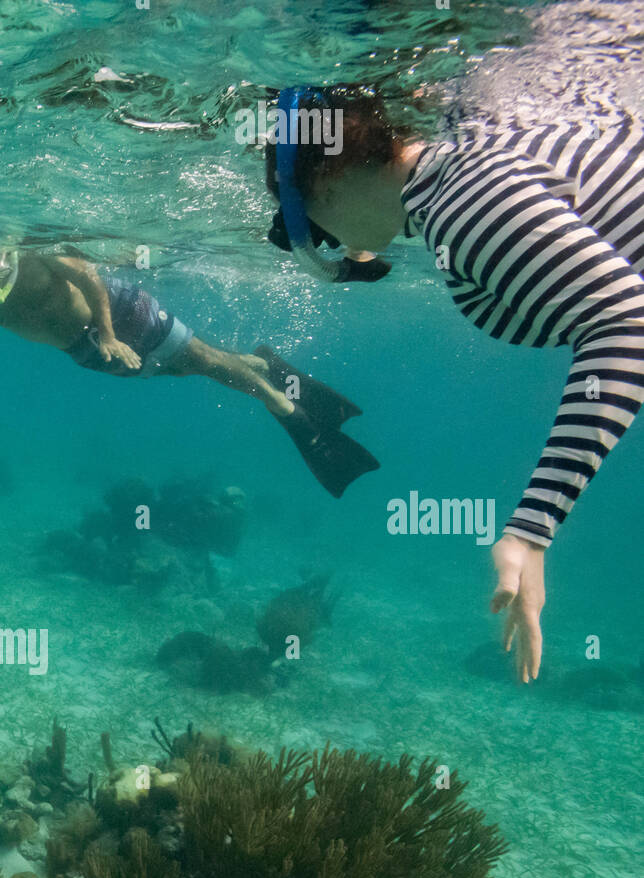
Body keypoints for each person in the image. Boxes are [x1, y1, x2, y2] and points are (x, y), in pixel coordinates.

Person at [262, 84, 644, 682]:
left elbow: (625, 322)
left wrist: (530, 532)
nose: (334, 244)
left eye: (316, 228)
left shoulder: (465, 208)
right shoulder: (465, 162)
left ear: (328, 181)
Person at [0, 245, 381, 498]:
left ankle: (295, 418)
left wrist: (107, 335)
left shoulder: (31, 247)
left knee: (205, 362)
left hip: (120, 319)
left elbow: (89, 278)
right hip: (86, 351)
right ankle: (263, 366)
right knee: (189, 368)